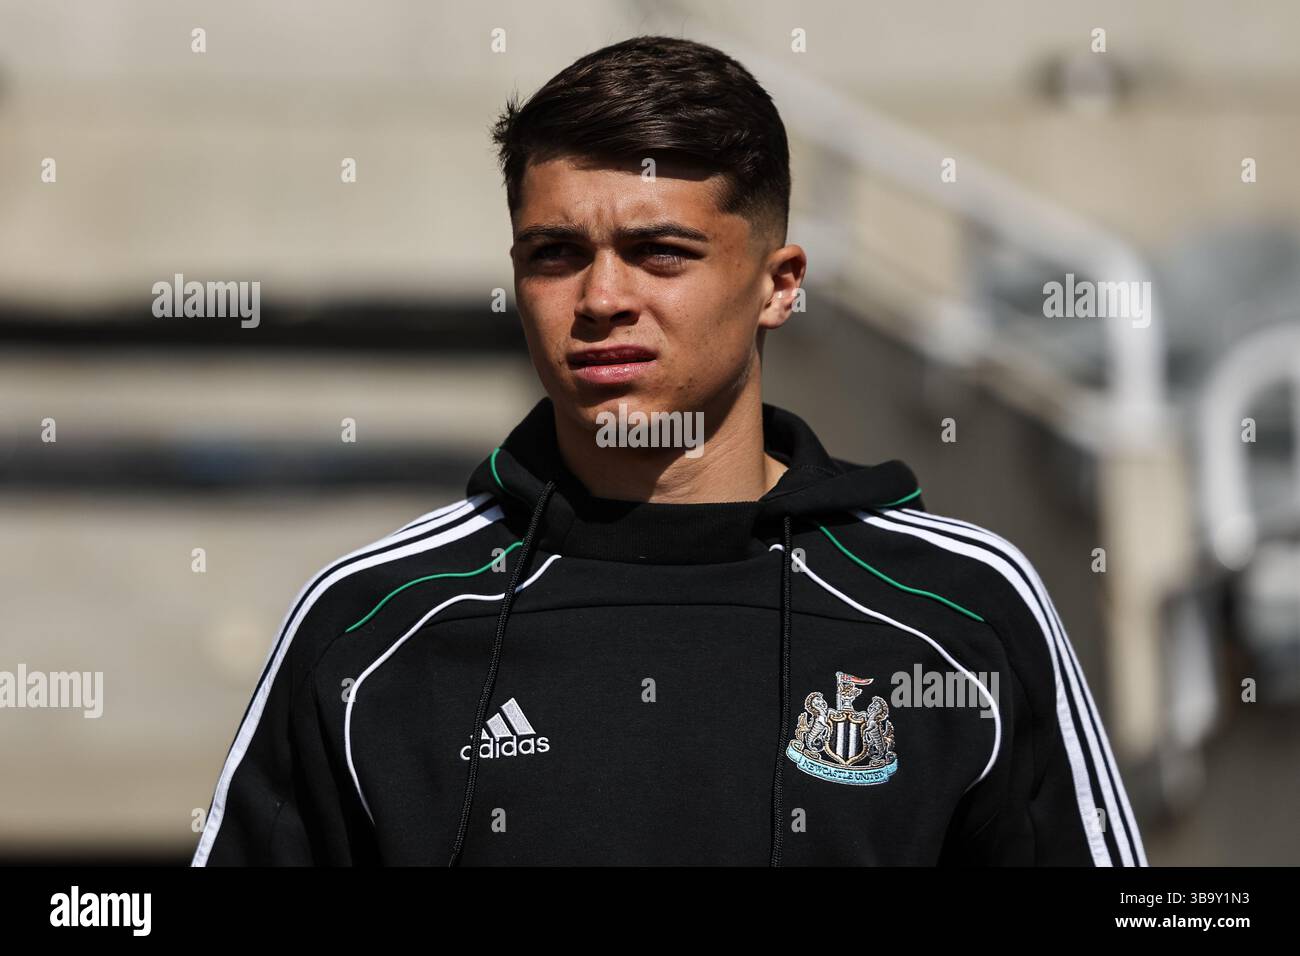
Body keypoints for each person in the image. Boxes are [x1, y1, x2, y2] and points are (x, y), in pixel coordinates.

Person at [191, 35, 1146, 866]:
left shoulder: (961, 609)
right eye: (554, 253)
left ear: (779, 285)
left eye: (661, 252)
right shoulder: (372, 626)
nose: (601, 299)